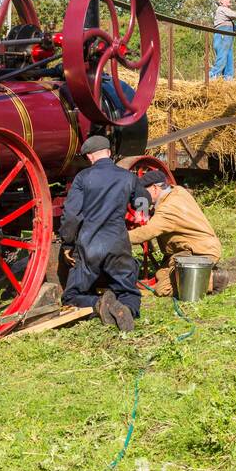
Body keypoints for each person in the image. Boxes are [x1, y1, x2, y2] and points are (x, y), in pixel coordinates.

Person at [59, 135, 150, 332]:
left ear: (90, 157)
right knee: (128, 291)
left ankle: (98, 305)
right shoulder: (128, 177)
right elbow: (143, 198)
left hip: (89, 245)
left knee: (71, 296)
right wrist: (142, 214)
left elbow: (71, 215)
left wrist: (67, 243)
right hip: (117, 242)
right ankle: (126, 308)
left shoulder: (83, 178)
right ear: (109, 153)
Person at [128, 170, 230, 297]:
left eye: (144, 191)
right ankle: (198, 272)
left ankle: (214, 278)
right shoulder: (177, 191)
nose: (142, 196)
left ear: (155, 188)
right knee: (161, 274)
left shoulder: (168, 208)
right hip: (186, 249)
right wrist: (146, 212)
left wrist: (118, 237)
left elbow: (147, 232)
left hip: (201, 251)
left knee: (163, 289)